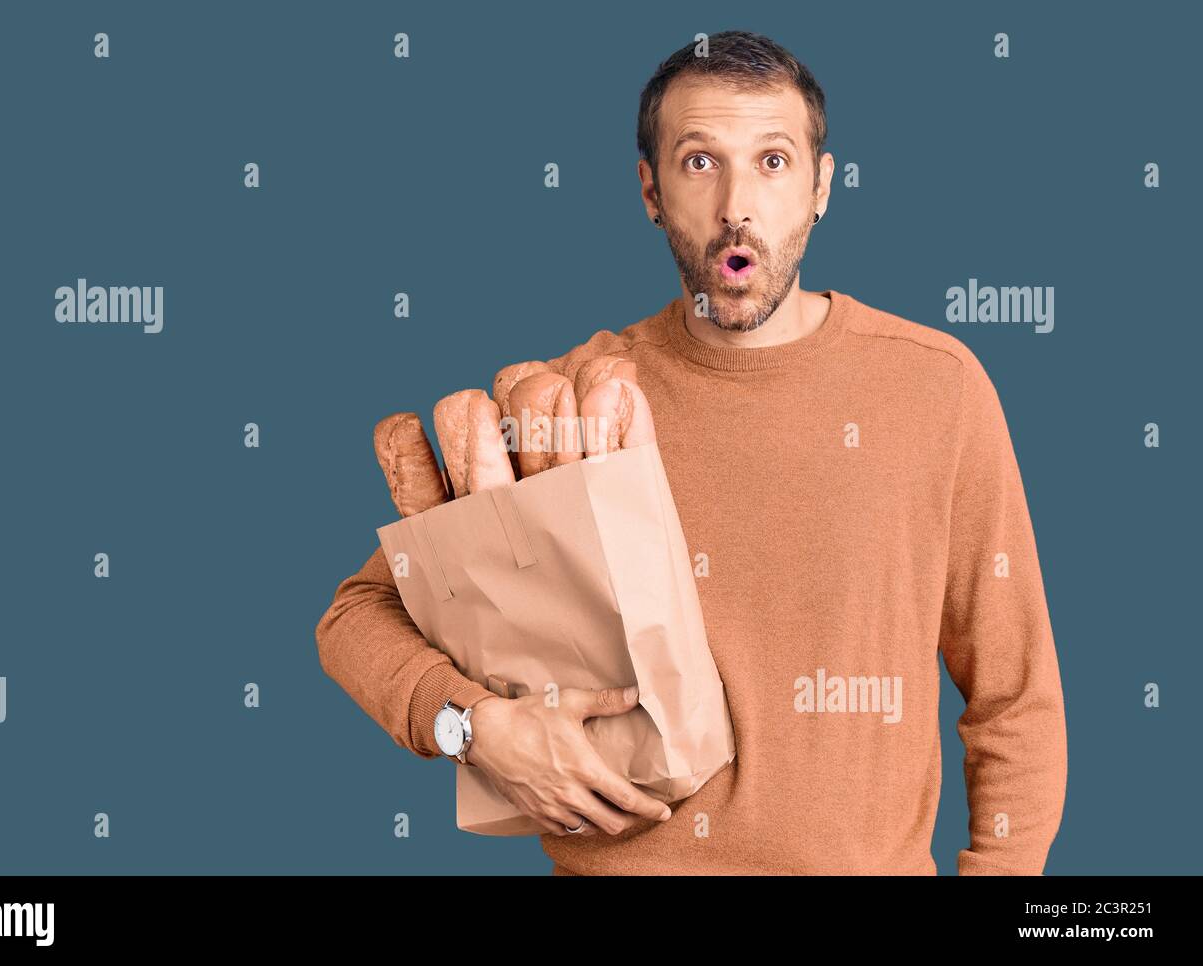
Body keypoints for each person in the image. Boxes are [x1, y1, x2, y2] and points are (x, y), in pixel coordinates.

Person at [315, 30, 1067, 875]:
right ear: (650, 190)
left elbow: (1014, 702)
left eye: (774, 161)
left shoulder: (938, 389)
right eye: (700, 162)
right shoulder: (567, 406)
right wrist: (476, 729)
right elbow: (353, 618)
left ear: (822, 187)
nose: (737, 204)